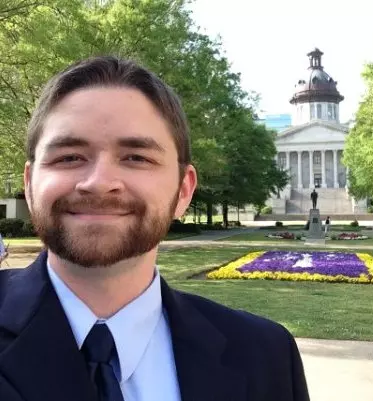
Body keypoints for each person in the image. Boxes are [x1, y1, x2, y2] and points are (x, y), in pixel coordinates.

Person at [0, 56, 309, 401]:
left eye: (136, 157)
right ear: (29, 185)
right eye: (69, 156)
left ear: (184, 190)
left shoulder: (265, 358)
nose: (99, 183)